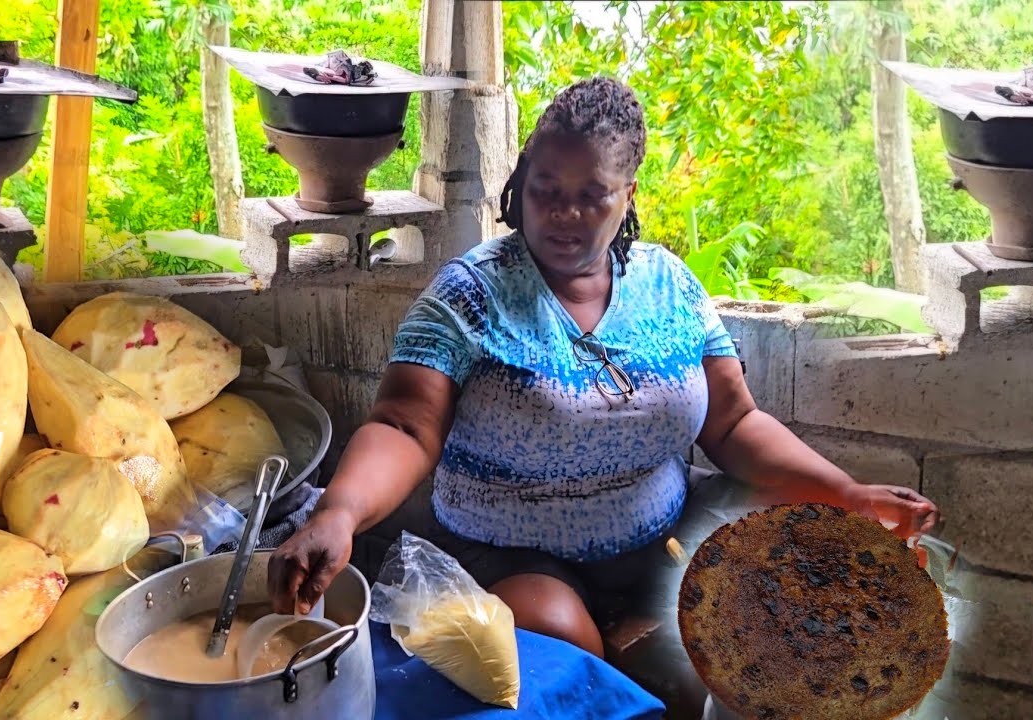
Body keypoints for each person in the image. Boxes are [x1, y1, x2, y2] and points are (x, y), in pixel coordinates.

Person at [267, 77, 940, 658]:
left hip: (664, 532)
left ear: (627, 197)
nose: (564, 212)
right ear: (520, 182)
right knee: (558, 634)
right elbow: (404, 427)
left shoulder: (668, 286)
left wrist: (847, 494)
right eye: (545, 189)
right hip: (511, 548)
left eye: (592, 194)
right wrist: (340, 512)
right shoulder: (473, 292)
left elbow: (733, 425)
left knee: (815, 559)